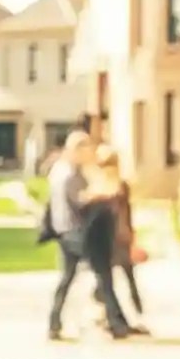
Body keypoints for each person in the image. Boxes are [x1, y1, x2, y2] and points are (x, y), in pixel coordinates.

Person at [45, 131, 131, 341]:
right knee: (103, 274)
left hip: (67, 231)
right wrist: (102, 195)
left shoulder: (62, 170)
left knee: (70, 278)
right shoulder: (69, 173)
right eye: (86, 150)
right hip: (79, 233)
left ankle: (56, 322)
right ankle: (115, 322)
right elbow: (80, 200)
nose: (89, 155)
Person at [92, 145, 148, 333]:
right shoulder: (98, 185)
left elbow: (125, 211)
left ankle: (132, 313)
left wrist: (130, 234)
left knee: (126, 275)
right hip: (106, 237)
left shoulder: (119, 185)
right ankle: (108, 314)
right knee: (105, 280)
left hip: (119, 236)